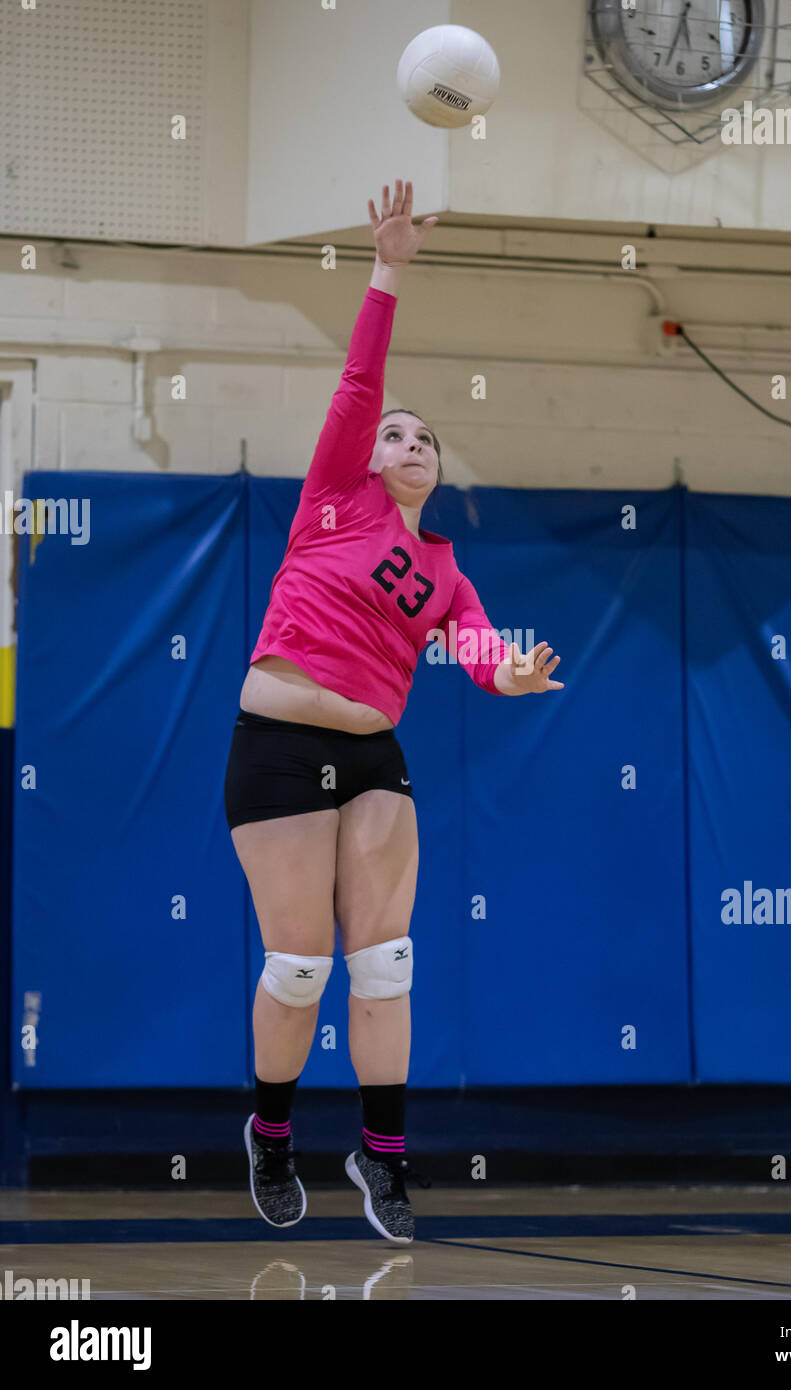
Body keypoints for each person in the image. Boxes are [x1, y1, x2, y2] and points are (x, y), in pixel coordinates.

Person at [223, 180, 563, 1244]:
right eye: (397, 435)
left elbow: (476, 652)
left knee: (385, 962)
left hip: (374, 758)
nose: (409, 443)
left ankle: (384, 1158)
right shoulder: (336, 495)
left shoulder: (447, 572)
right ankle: (272, 1135)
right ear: (370, 455)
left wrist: (509, 674)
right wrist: (389, 267)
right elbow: (363, 378)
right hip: (278, 744)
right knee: (299, 966)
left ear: (439, 471)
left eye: (426, 440)